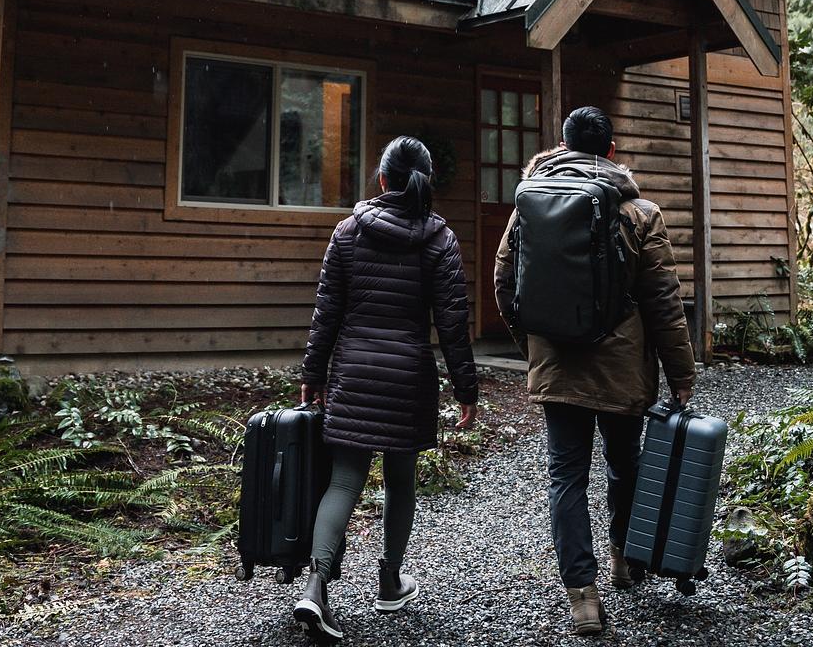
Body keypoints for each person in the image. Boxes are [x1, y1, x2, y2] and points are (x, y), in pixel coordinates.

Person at [493, 105, 696, 637]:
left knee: (566, 476)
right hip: (622, 367)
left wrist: (534, 344)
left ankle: (582, 596)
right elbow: (663, 302)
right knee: (624, 464)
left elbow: (503, 282)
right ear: (611, 151)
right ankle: (624, 558)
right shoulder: (640, 213)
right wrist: (681, 374)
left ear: (562, 146)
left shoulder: (529, 203)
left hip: (557, 364)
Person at [293, 135, 479, 642]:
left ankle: (315, 587)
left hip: (353, 373)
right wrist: (466, 389)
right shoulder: (439, 239)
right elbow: (453, 323)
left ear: (381, 179)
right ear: (426, 182)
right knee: (401, 482)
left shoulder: (348, 231)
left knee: (343, 483)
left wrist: (313, 373)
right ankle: (390, 581)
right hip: (408, 378)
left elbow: (327, 310)